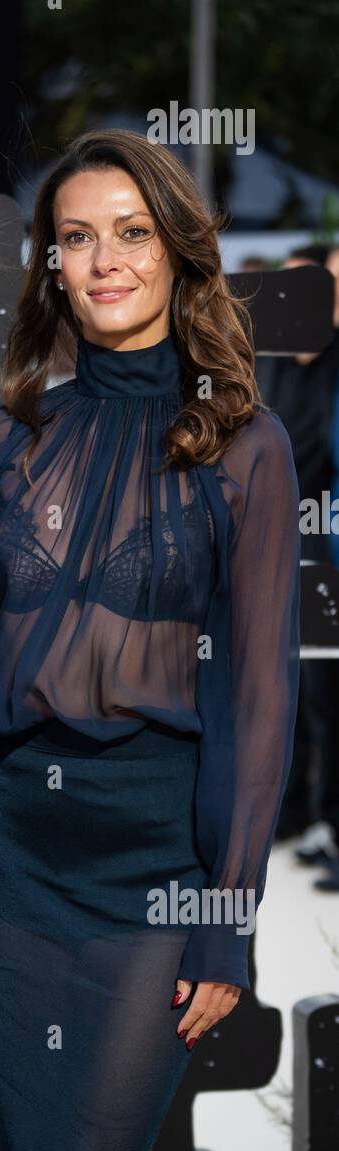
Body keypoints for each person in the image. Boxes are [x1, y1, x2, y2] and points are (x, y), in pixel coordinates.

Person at [0, 129, 300, 1151]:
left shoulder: (243, 448)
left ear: (175, 253)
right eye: (73, 237)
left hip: (151, 874)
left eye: (129, 233)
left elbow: (258, 702)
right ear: (48, 264)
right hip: (12, 863)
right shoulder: (4, 440)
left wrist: (225, 912)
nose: (101, 260)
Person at [256, 244, 339, 875]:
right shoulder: (274, 361)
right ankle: (298, 811)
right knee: (287, 680)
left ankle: (324, 817)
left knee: (321, 686)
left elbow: (307, 447)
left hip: (321, 543)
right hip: (282, 542)